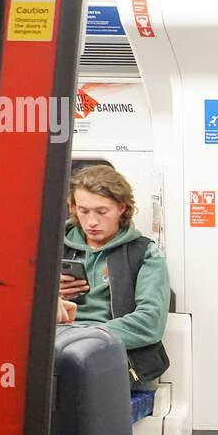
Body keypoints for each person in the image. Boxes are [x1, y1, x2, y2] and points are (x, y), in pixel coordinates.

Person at [59, 165, 170, 392]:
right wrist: (51, 297)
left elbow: (150, 322)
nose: (91, 222)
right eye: (83, 211)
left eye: (101, 212)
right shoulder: (51, 248)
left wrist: (88, 338)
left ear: (121, 208)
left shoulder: (145, 253)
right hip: (58, 344)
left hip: (114, 353)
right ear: (72, 208)